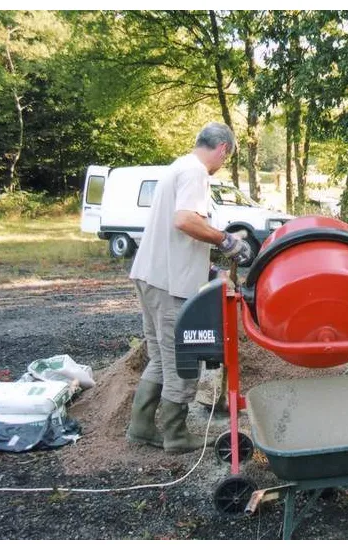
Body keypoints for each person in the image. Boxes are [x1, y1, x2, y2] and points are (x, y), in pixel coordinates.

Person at [126, 122, 253, 454]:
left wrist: (209, 269)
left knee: (160, 357)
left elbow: (176, 235)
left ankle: (140, 427)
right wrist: (226, 240)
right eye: (226, 158)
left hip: (150, 275)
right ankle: (176, 436)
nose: (222, 163)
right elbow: (185, 221)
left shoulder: (177, 167)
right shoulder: (196, 172)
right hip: (168, 284)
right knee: (182, 358)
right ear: (223, 148)